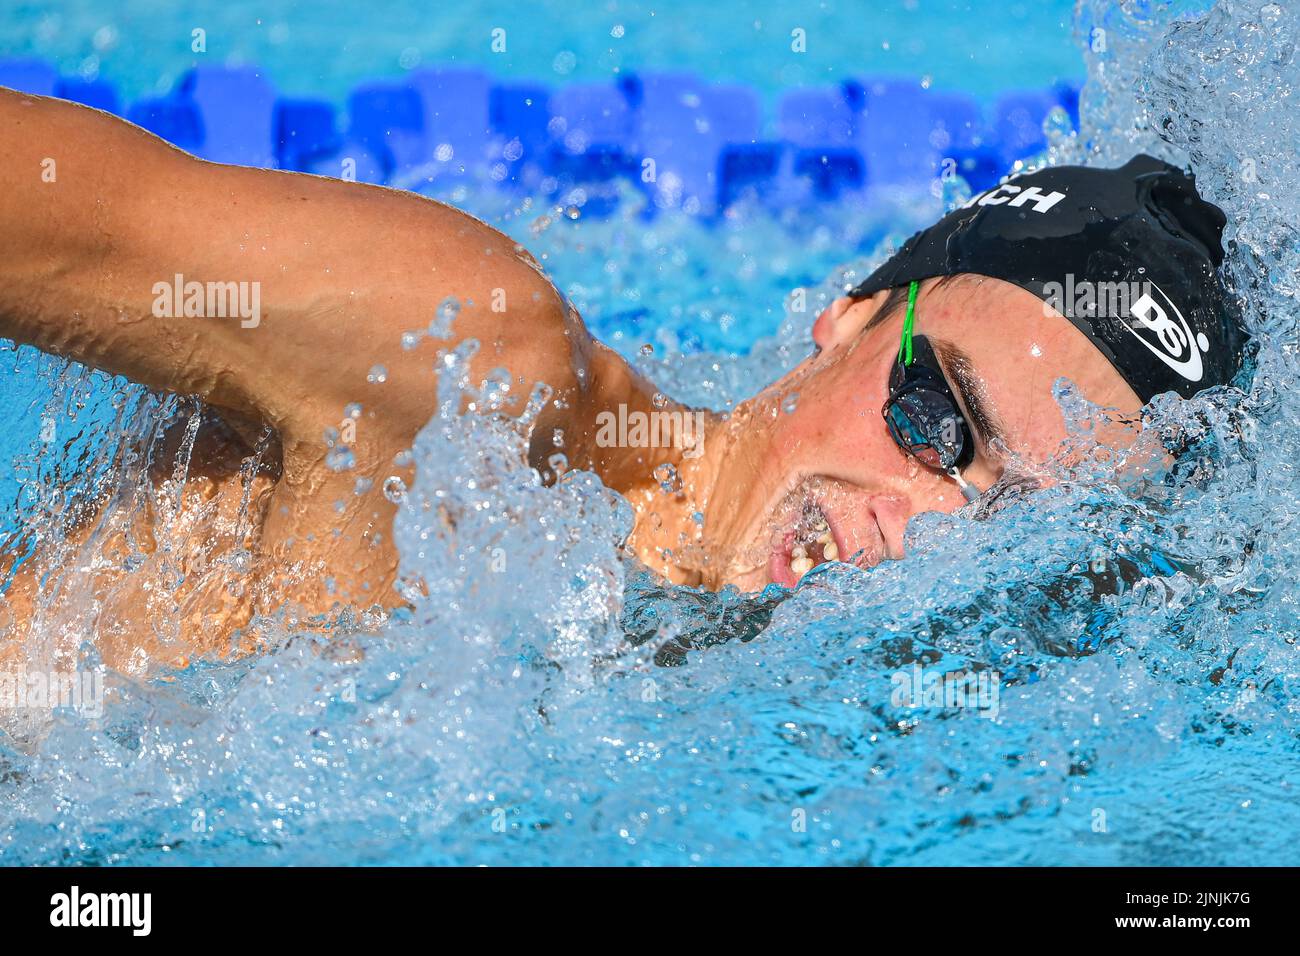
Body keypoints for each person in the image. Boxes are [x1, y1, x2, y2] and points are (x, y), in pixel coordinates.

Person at [0, 87, 1246, 671]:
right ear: (852, 314)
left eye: (1013, 516)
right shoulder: (467, 358)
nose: (919, 527)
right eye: (939, 420)